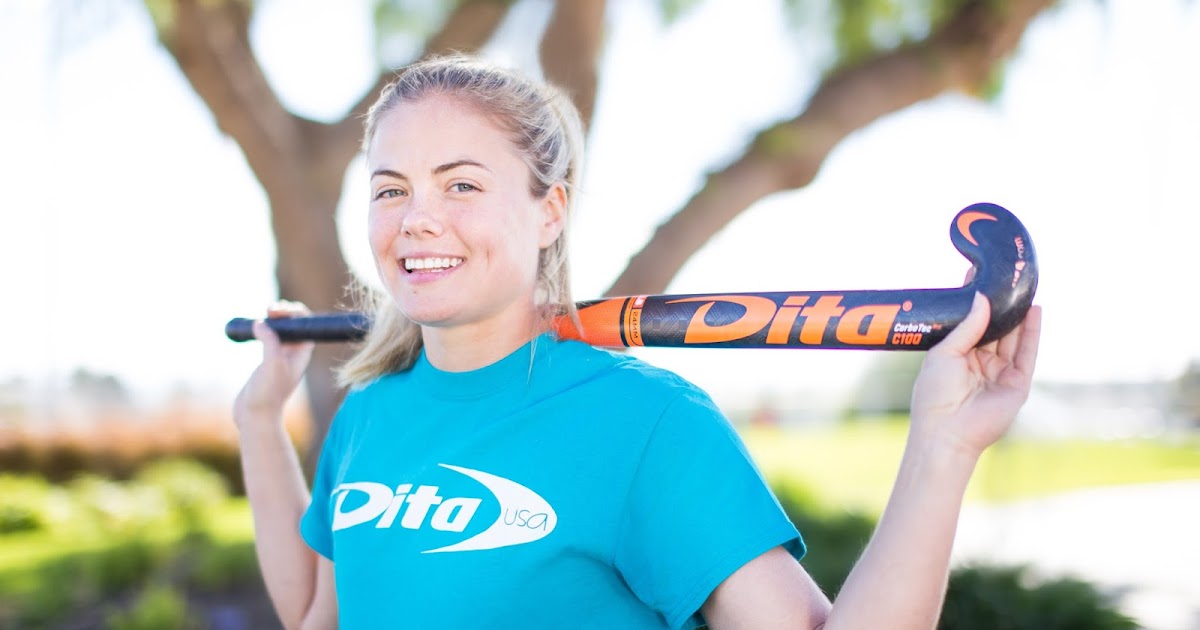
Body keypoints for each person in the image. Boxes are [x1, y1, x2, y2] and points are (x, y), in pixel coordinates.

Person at [233, 54, 1042, 630]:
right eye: (391, 189)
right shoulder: (371, 415)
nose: (417, 218)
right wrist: (259, 421)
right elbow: (315, 615)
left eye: (462, 184)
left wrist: (943, 444)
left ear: (550, 210)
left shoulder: (646, 422)